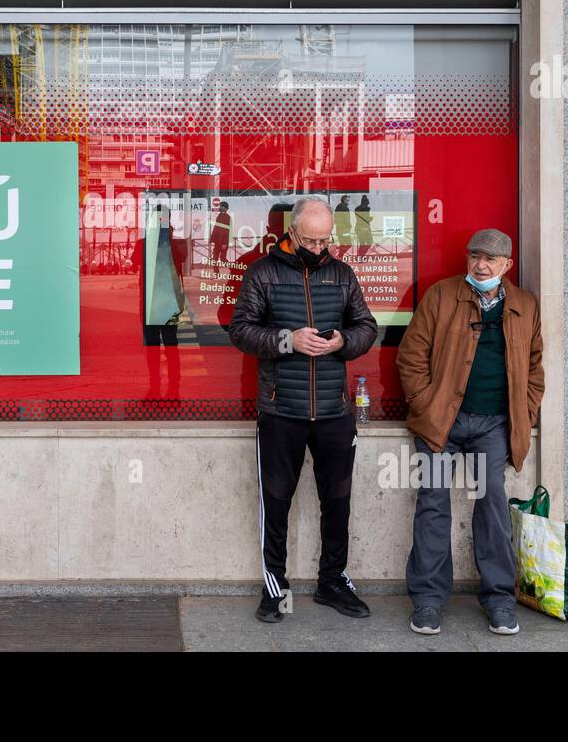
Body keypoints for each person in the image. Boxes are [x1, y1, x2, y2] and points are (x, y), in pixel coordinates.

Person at [228, 195, 379, 623]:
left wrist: (343, 343)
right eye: (310, 240)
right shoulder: (263, 272)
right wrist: (287, 340)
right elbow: (240, 330)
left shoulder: (342, 274)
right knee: (276, 502)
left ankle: (333, 581)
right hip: (281, 411)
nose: (318, 248)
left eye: (324, 240)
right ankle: (275, 587)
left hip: (334, 410)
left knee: (338, 501)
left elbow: (367, 327)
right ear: (292, 232)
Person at [395, 228, 544, 637]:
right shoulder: (441, 296)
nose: (481, 265)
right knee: (433, 503)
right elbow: (411, 356)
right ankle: (427, 600)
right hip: (442, 420)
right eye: (475, 256)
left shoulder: (526, 305)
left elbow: (535, 367)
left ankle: (499, 599)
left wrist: (525, 414)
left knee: (493, 505)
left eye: (491, 259)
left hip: (494, 424)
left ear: (506, 265)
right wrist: (426, 404)